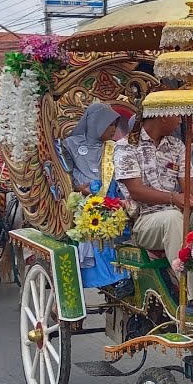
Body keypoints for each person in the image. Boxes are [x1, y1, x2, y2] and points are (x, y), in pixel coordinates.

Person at [114, 114, 193, 313]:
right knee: (173, 218)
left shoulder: (176, 145)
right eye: (178, 116)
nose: (180, 121)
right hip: (146, 220)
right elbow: (136, 191)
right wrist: (172, 198)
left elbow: (188, 185)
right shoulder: (125, 146)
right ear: (164, 116)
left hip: (178, 211)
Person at [62, 103, 128, 289]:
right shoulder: (70, 145)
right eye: (110, 124)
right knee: (97, 228)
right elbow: (63, 176)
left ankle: (122, 275)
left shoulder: (114, 147)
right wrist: (78, 189)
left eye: (115, 125)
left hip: (112, 197)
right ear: (96, 123)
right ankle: (110, 278)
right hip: (83, 199)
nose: (114, 129)